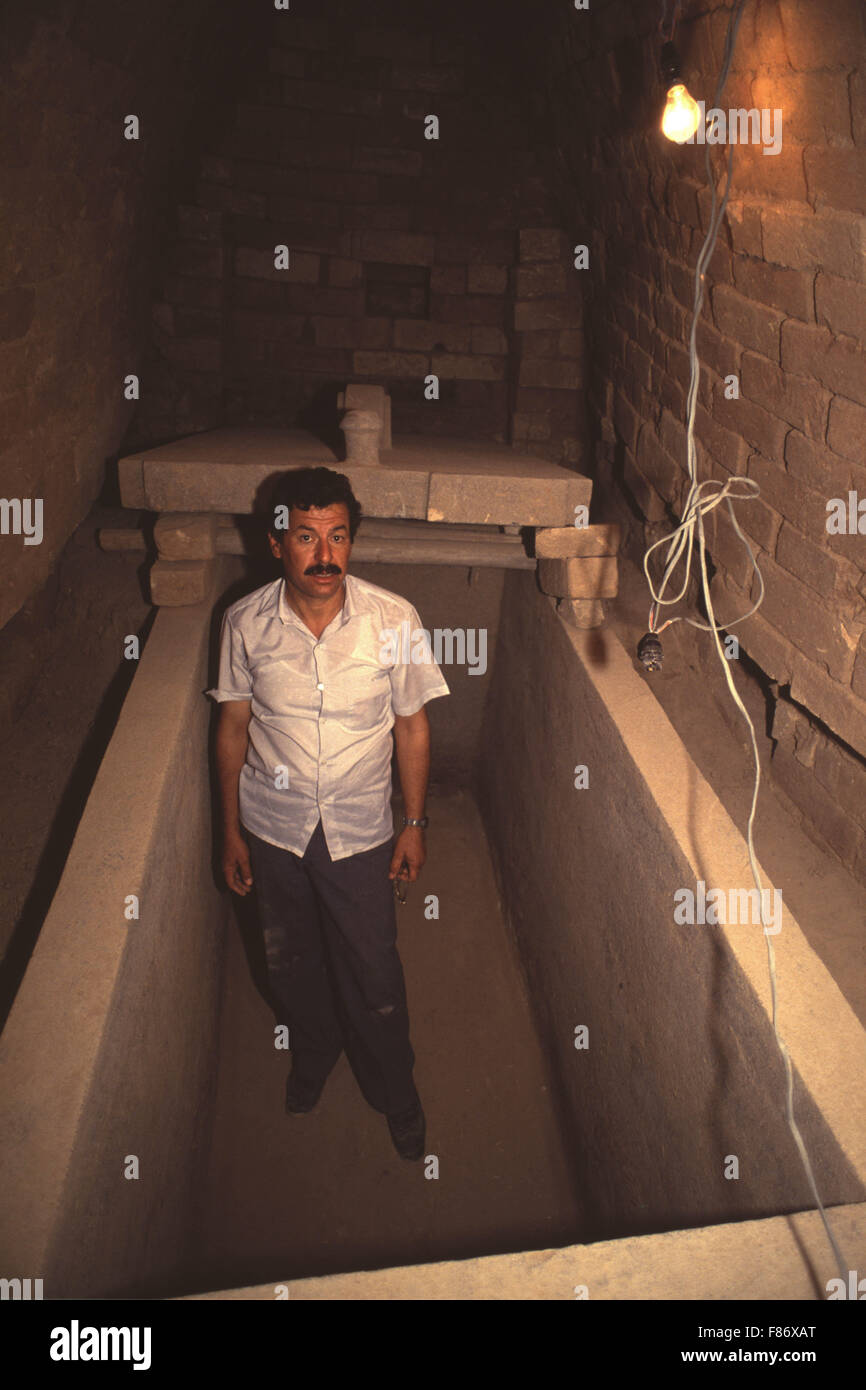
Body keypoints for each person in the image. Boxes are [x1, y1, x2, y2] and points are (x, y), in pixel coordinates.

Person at [206, 466, 450, 1161]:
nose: (324, 554)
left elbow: (413, 727)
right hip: (273, 828)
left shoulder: (393, 620)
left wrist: (415, 823)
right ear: (277, 542)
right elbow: (231, 728)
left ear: (352, 541)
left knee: (373, 969)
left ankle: (394, 1090)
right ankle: (313, 1054)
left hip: (361, 833)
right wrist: (229, 830)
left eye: (338, 536)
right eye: (306, 537)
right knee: (288, 964)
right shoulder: (245, 623)